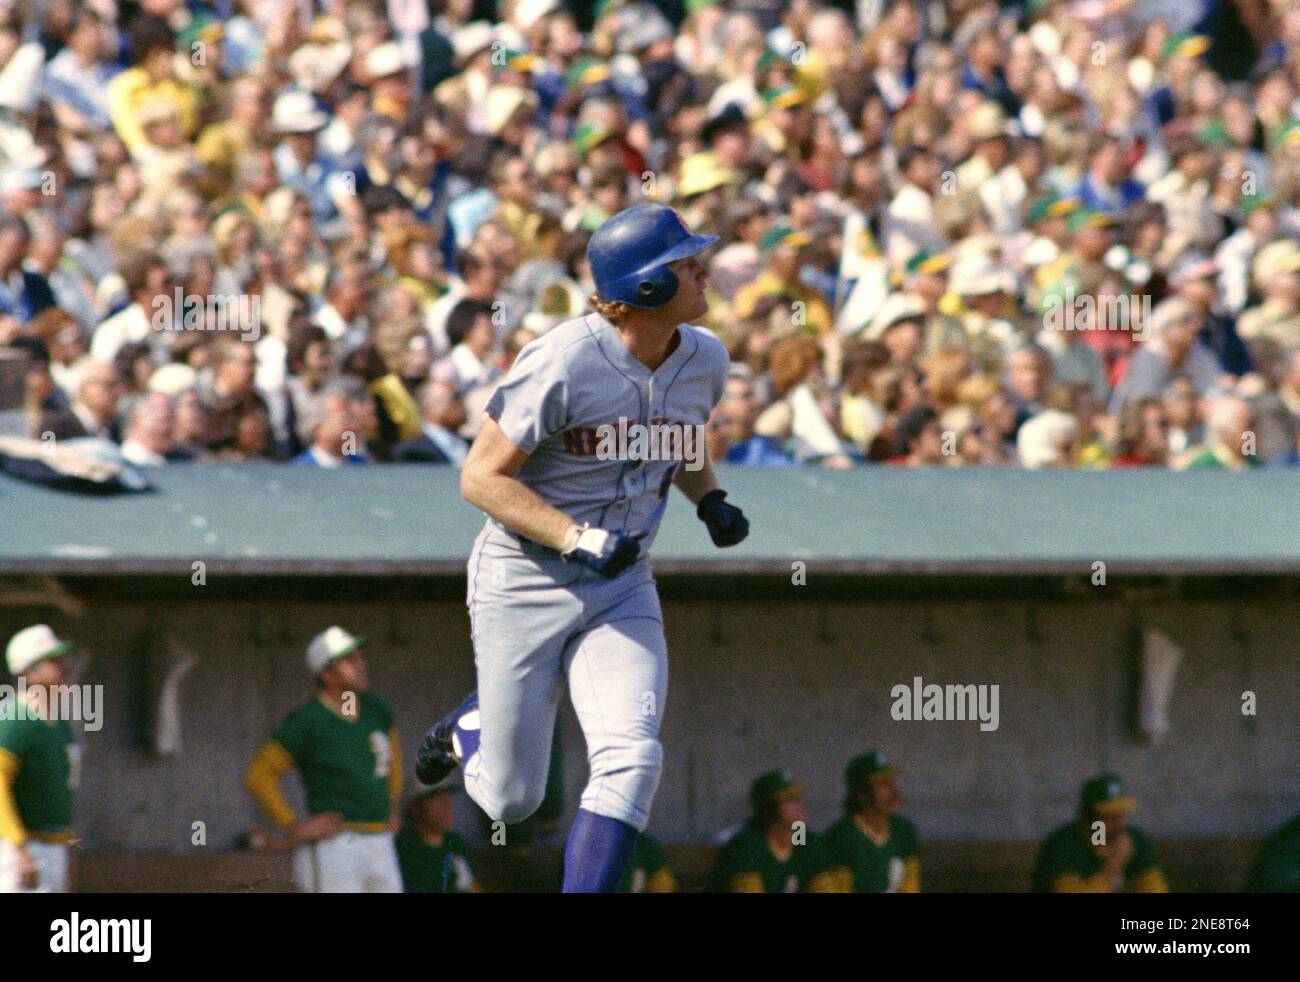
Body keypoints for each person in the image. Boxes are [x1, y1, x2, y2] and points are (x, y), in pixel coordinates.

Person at [413, 203, 749, 893]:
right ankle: (469, 727)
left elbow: (675, 440)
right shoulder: (564, 358)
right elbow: (479, 476)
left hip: (621, 585)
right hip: (525, 577)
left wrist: (708, 497)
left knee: (632, 756)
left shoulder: (704, 356)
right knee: (513, 799)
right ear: (647, 288)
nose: (704, 271)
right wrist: (575, 535)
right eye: (687, 265)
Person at [243, 626, 403, 893]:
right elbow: (259, 775)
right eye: (350, 660)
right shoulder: (308, 719)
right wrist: (295, 826)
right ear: (327, 674)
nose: (361, 665)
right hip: (336, 844)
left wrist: (394, 806)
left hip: (380, 841)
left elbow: (393, 761)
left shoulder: (377, 709)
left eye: (360, 657)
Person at [0, 625, 80, 893]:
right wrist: (18, 848)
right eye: (53, 660)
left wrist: (68, 846)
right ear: (30, 671)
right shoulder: (14, 718)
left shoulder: (59, 724)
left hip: (54, 847)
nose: (64, 665)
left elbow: (62, 786)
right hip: (20, 851)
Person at [1031, 773, 1168, 893]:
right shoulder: (1065, 846)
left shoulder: (1135, 840)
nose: (1120, 823)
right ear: (1087, 818)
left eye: (1122, 814)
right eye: (1110, 816)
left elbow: (1154, 888)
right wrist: (1114, 864)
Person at [708, 770, 835, 893]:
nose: (800, 804)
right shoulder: (749, 844)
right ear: (770, 808)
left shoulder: (804, 839)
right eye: (791, 799)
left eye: (799, 798)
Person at [823, 751, 920, 893]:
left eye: (891, 781)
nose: (894, 791)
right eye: (883, 784)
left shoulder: (904, 830)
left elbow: (910, 886)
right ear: (861, 795)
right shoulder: (842, 836)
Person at [395, 785, 478, 894]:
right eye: (438, 801)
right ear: (415, 807)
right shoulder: (404, 848)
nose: (446, 808)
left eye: (448, 800)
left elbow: (471, 885)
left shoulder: (454, 842)